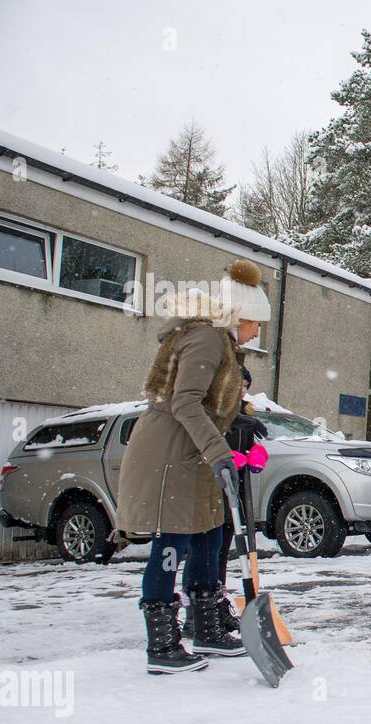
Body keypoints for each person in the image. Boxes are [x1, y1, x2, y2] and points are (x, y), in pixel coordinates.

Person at [116, 260, 273, 673]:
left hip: (196, 455)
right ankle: (162, 646)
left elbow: (205, 404)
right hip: (171, 456)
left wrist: (235, 424)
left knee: (208, 537)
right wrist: (220, 451)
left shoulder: (221, 342)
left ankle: (206, 628)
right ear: (240, 315)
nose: (258, 333)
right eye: (256, 323)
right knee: (173, 543)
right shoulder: (204, 337)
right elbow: (184, 401)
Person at [198, 365, 267, 636]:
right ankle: (199, 612)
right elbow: (205, 445)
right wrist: (227, 458)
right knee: (208, 552)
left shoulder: (244, 413)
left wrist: (254, 454)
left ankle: (217, 606)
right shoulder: (211, 413)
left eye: (246, 386)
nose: (243, 390)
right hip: (211, 489)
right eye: (239, 385)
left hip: (233, 490)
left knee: (225, 549)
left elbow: (248, 446)